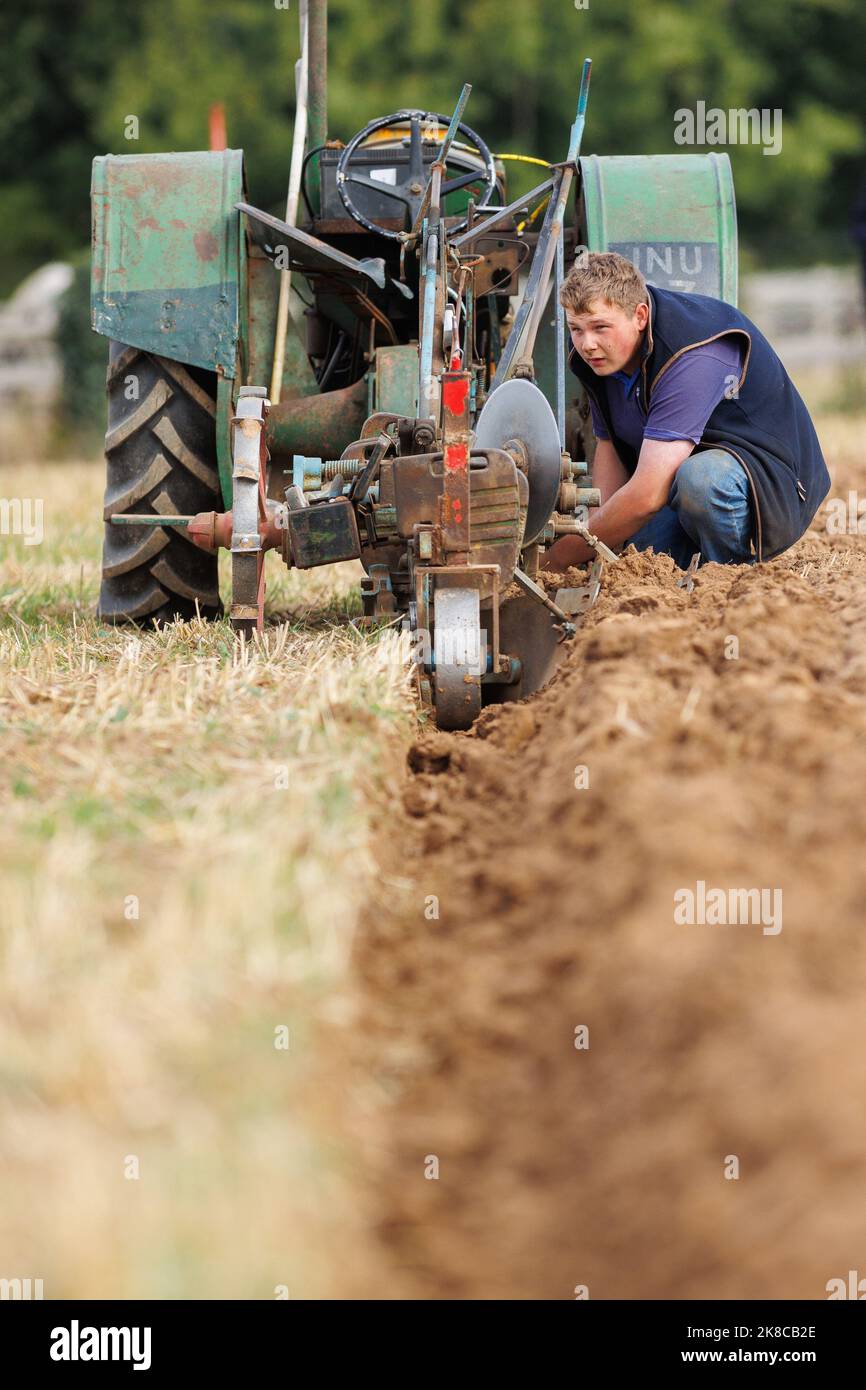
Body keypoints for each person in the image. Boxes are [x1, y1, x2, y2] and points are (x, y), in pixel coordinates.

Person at [545, 251, 830, 572]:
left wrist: (557, 558)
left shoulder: (691, 353)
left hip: (769, 483)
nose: (587, 344)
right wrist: (593, 542)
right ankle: (695, 570)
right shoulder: (602, 358)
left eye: (599, 327)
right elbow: (609, 448)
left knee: (701, 481)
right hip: (676, 469)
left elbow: (648, 494)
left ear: (640, 316)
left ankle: (733, 572)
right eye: (576, 329)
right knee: (642, 558)